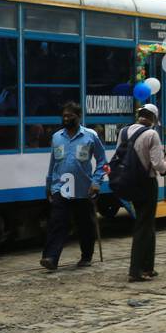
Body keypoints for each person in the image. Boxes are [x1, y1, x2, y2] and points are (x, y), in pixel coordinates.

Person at [40, 102, 107, 271]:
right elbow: (53, 162)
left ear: (79, 117)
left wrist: (97, 182)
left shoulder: (90, 136)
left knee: (85, 225)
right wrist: (49, 184)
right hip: (60, 188)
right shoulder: (57, 137)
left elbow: (102, 161)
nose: (66, 118)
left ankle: (86, 256)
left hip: (84, 189)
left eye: (70, 115)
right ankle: (51, 258)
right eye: (64, 115)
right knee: (57, 223)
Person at [117, 104, 166, 282]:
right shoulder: (151, 134)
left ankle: (148, 266)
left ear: (139, 115)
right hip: (147, 183)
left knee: (145, 223)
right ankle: (137, 269)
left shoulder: (123, 132)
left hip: (129, 182)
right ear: (154, 119)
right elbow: (157, 164)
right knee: (144, 225)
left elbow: (120, 156)